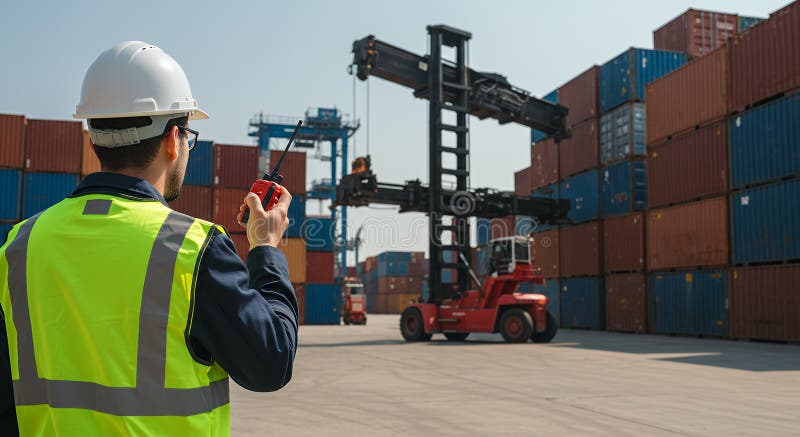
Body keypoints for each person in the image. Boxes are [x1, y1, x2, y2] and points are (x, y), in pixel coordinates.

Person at [0, 41, 298, 436]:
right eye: (189, 136)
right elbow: (270, 362)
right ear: (174, 139)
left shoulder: (19, 246)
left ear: (93, 138)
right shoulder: (193, 248)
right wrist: (266, 250)